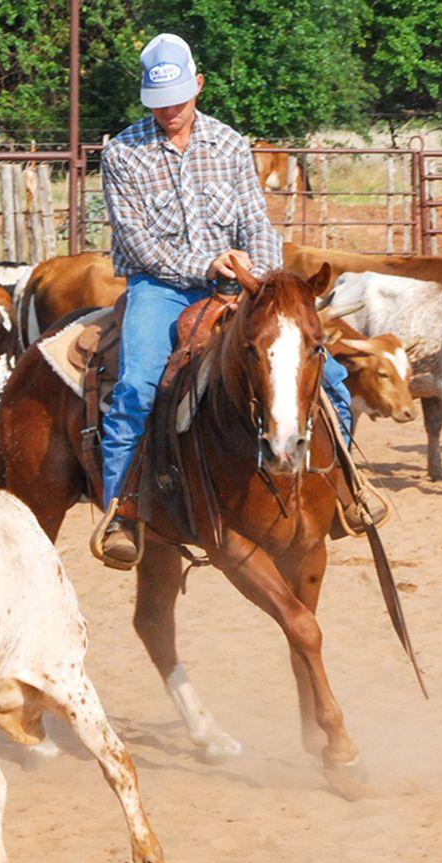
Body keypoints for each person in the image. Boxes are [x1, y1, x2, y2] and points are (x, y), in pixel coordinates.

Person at [97, 33, 357, 567]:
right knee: (138, 384)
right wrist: (204, 265)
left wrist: (256, 278)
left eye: (178, 99)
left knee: (329, 378)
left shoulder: (232, 145)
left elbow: (255, 222)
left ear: (198, 85)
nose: (169, 111)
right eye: (157, 102)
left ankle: (343, 486)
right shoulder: (122, 154)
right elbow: (137, 240)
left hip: (241, 284)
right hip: (160, 287)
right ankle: (123, 509)